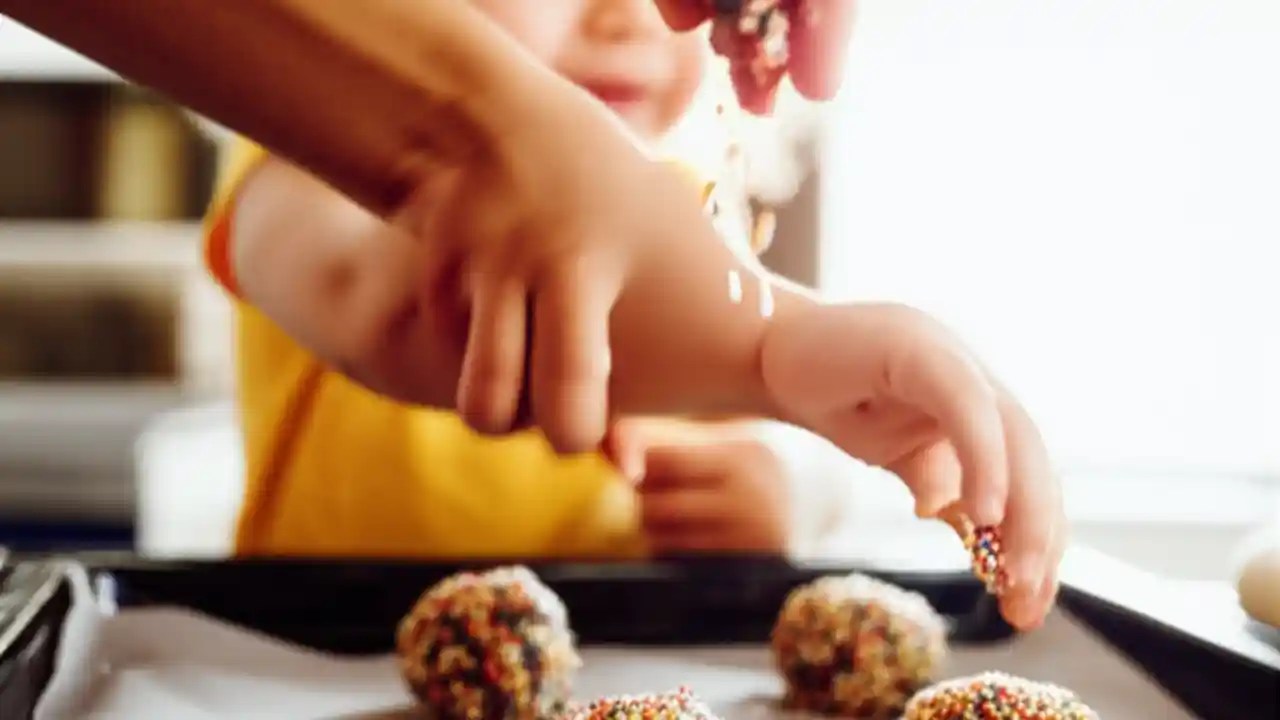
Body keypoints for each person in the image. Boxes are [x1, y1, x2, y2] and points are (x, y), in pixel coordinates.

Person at [0, 0, 855, 453]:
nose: (626, 15)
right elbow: (381, 303)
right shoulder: (303, 167)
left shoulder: (700, 214)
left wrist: (768, 492)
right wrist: (779, 354)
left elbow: (721, 428)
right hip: (333, 650)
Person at [202, 0, 862, 564]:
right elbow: (353, 290)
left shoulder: (691, 213)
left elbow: (793, 425)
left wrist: (786, 485)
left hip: (613, 670)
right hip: (315, 641)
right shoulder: (312, 155)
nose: (625, 18)